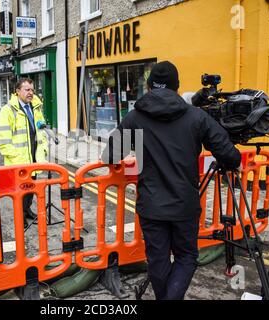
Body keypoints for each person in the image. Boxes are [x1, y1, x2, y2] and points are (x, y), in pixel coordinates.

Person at [102, 61, 241, 300]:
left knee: (157, 259)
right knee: (186, 257)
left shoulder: (136, 117)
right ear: (177, 87)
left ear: (149, 87)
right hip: (184, 205)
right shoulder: (196, 116)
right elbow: (228, 153)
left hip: (151, 205)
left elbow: (111, 155)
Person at [0, 78, 48, 228]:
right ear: (18, 91)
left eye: (32, 90)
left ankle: (27, 211)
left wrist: (43, 150)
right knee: (20, 193)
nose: (31, 93)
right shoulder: (8, 111)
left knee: (31, 190)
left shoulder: (36, 107)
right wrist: (20, 159)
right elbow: (4, 143)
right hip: (18, 162)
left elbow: (41, 132)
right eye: (27, 90)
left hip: (34, 158)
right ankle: (20, 216)